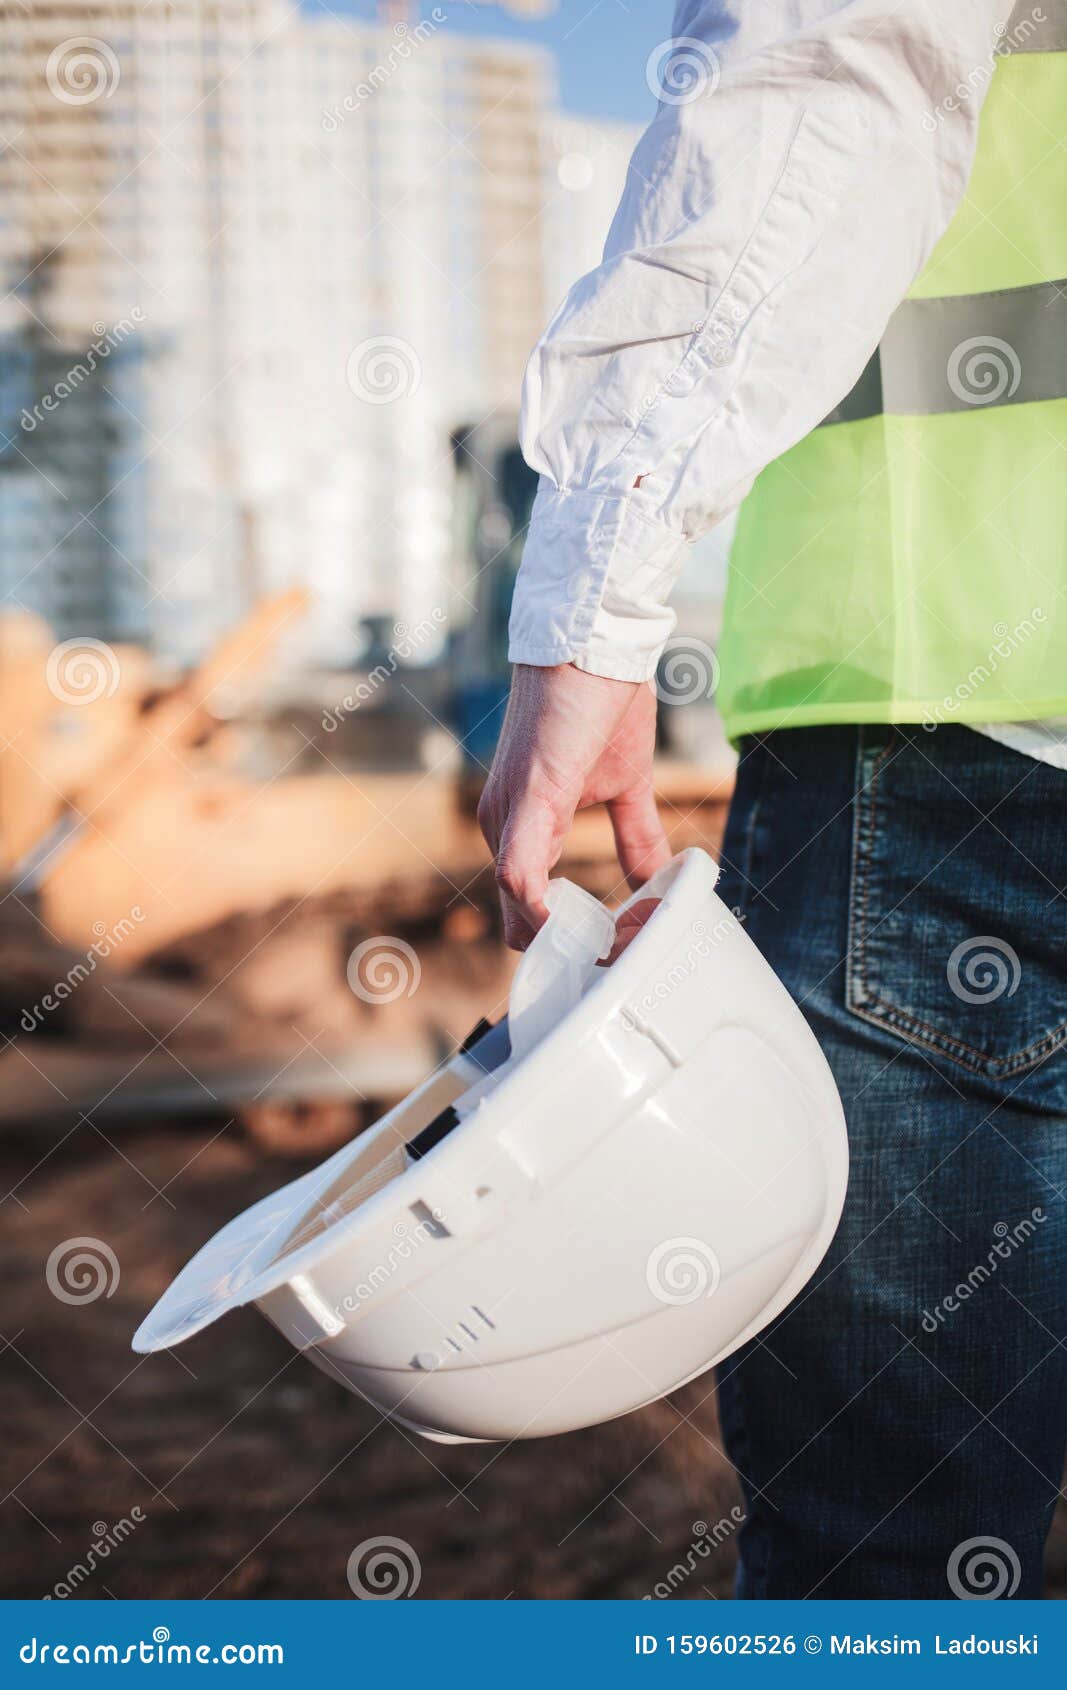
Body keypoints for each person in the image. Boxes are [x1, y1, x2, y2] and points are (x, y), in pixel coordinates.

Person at [479, 0, 1066, 1598]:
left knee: (886, 1562)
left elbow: (832, 67)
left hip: (952, 749)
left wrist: (595, 606)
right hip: (952, 783)